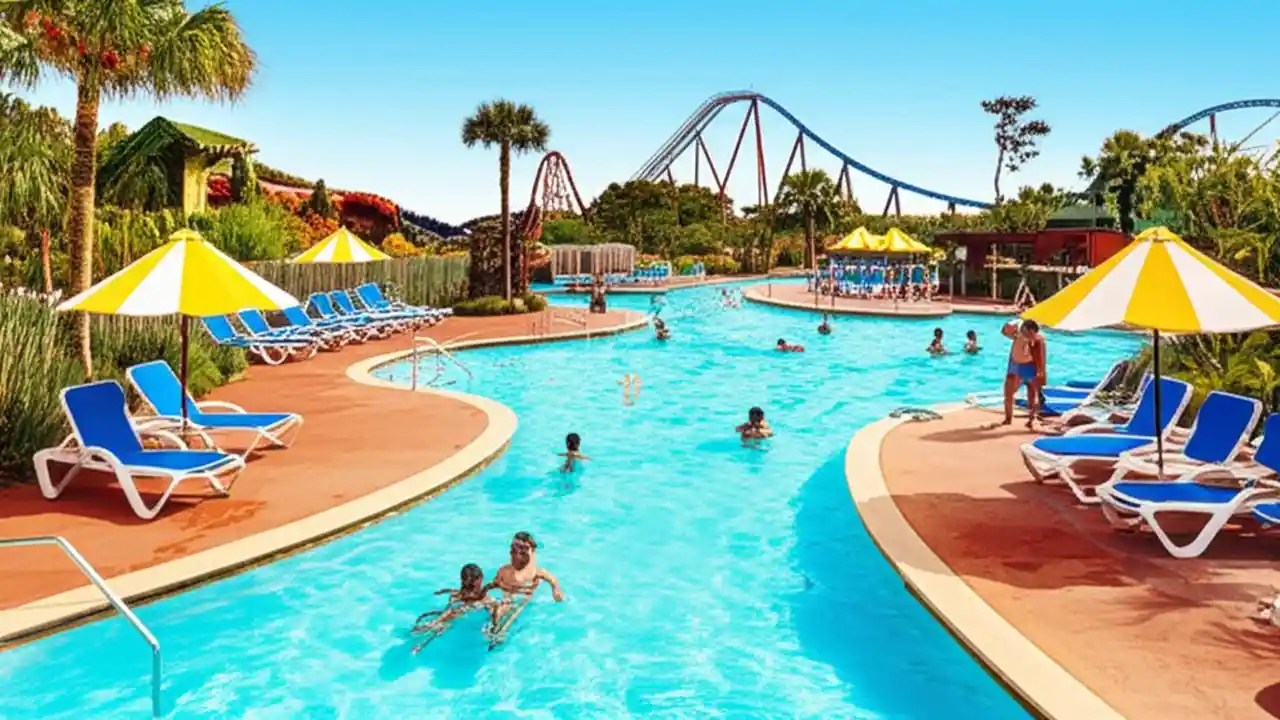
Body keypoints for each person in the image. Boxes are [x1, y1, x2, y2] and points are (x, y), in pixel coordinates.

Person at [411, 563, 503, 653]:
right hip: (467, 615)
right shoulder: (488, 601)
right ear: (481, 578)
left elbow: (449, 607)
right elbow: (494, 621)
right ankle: (430, 629)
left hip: (455, 612)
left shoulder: (456, 596)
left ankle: (427, 631)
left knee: (441, 625)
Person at [1001, 319, 1047, 428]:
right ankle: (1008, 419)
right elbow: (1004, 331)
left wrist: (1041, 374)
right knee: (1008, 393)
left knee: (1032, 394)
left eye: (1031, 333)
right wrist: (1015, 320)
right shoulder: (1017, 335)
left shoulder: (1038, 340)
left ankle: (1032, 419)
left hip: (1029, 367)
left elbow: (1042, 358)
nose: (1029, 334)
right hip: (1016, 366)